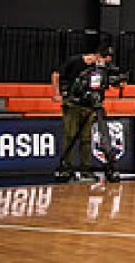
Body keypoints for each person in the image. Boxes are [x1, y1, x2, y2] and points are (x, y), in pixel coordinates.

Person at [50, 42, 107, 182]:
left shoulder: (99, 69)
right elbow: (56, 74)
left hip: (87, 105)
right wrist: (57, 93)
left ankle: (85, 169)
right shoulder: (75, 61)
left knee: (86, 138)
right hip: (72, 103)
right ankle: (67, 168)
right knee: (70, 135)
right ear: (97, 55)